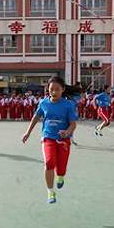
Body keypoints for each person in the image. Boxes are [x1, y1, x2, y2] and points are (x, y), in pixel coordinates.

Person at [22, 76, 78, 204]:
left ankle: (61, 176)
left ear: (62, 89)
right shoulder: (44, 103)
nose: (53, 92)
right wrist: (28, 132)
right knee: (49, 163)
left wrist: (67, 132)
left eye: (57, 89)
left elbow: (73, 124)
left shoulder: (68, 105)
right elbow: (36, 118)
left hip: (63, 140)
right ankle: (50, 191)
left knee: (61, 168)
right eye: (51, 89)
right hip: (48, 138)